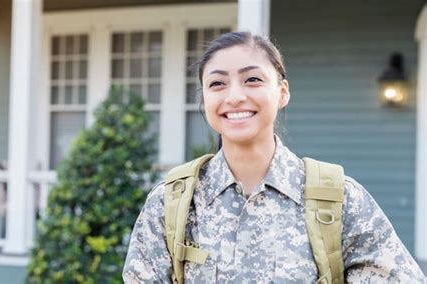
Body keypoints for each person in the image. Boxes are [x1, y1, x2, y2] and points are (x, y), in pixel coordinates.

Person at [122, 32, 425, 283]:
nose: (235, 96)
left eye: (252, 79)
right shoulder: (171, 202)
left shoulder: (339, 200)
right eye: (217, 83)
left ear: (282, 93)